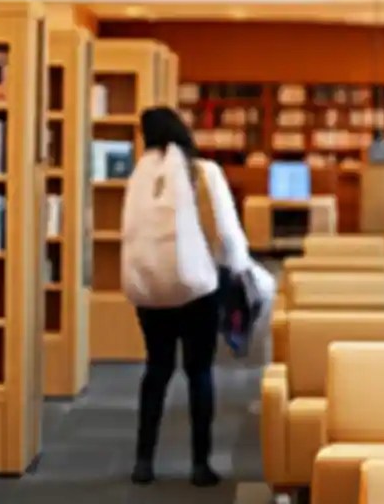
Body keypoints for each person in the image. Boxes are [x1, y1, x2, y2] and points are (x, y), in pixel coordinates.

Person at [120, 106, 257, 486]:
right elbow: (227, 231)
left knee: (157, 370)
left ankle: (143, 461)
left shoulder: (139, 176)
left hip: (149, 290)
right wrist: (240, 271)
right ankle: (200, 464)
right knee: (199, 372)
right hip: (198, 288)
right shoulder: (202, 172)